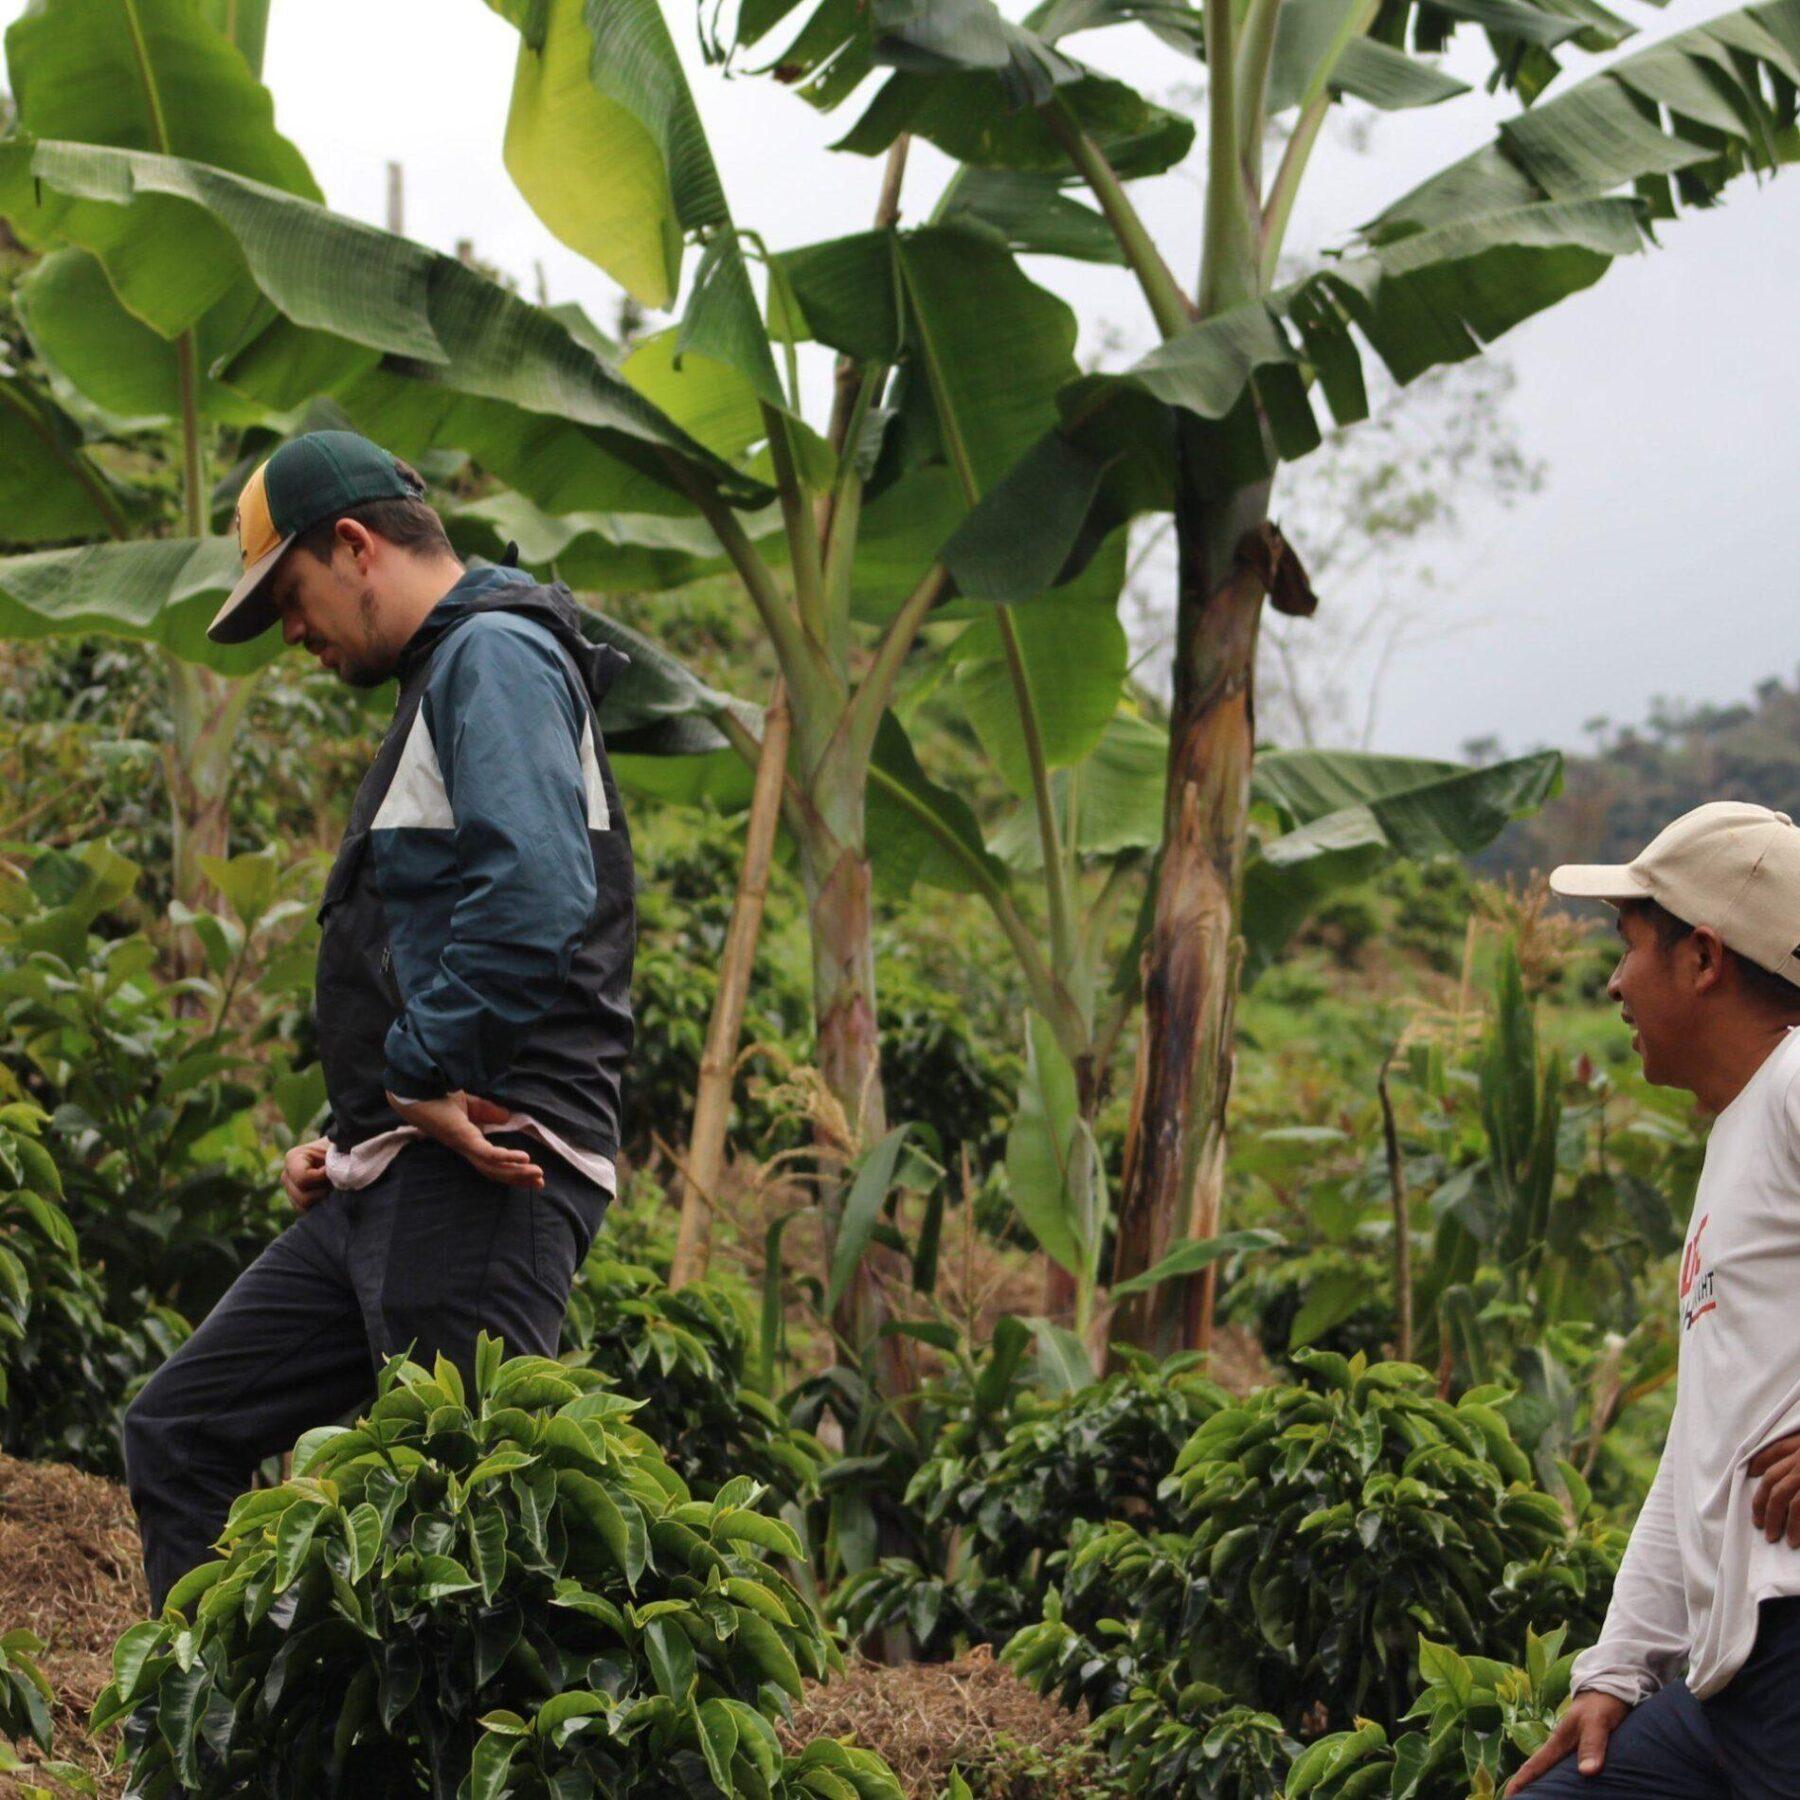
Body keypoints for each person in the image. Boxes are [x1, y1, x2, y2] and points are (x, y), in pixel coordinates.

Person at [121, 431, 636, 1614]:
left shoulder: (493, 658)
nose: (292, 637)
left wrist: (414, 1073)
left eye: (289, 599)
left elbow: (537, 893)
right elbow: (429, 931)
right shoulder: (454, 675)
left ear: (352, 546)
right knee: (180, 1432)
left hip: (485, 1168)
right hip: (402, 1168)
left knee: (460, 1552)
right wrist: (352, 1126)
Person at [1508, 802, 1800, 1799]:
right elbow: (1701, 1446)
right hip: (1730, 1680)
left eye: (1631, 948)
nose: (1614, 982)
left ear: (1704, 958)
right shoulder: (1739, 1133)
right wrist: (1619, 1666)